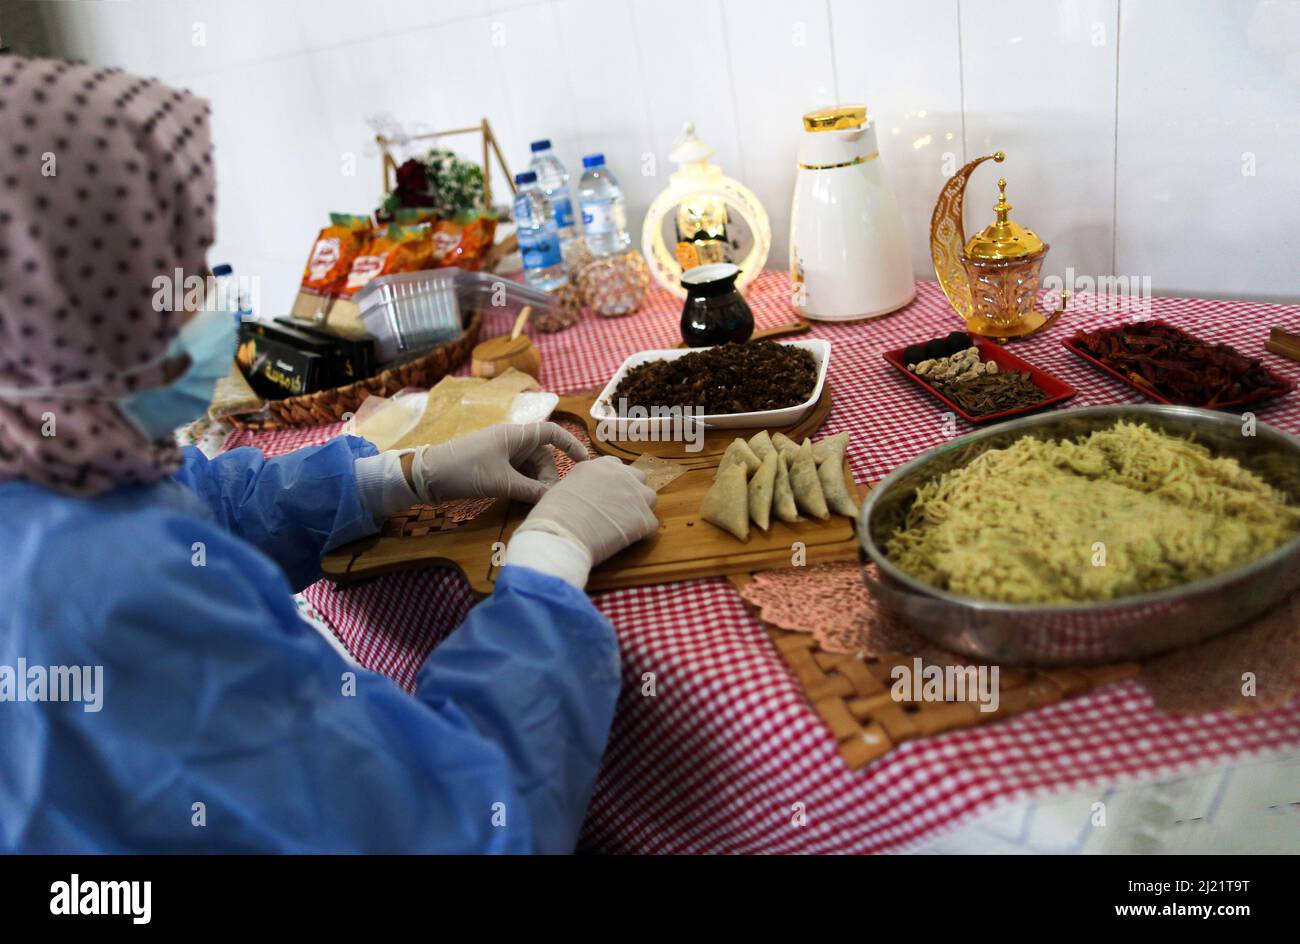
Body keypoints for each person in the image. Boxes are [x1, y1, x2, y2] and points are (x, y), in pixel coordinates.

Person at [0, 57, 659, 853]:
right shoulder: (103, 589)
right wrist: (551, 564)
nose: (205, 299)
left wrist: (396, 476)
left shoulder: (48, 462)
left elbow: (204, 507)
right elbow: (458, 827)